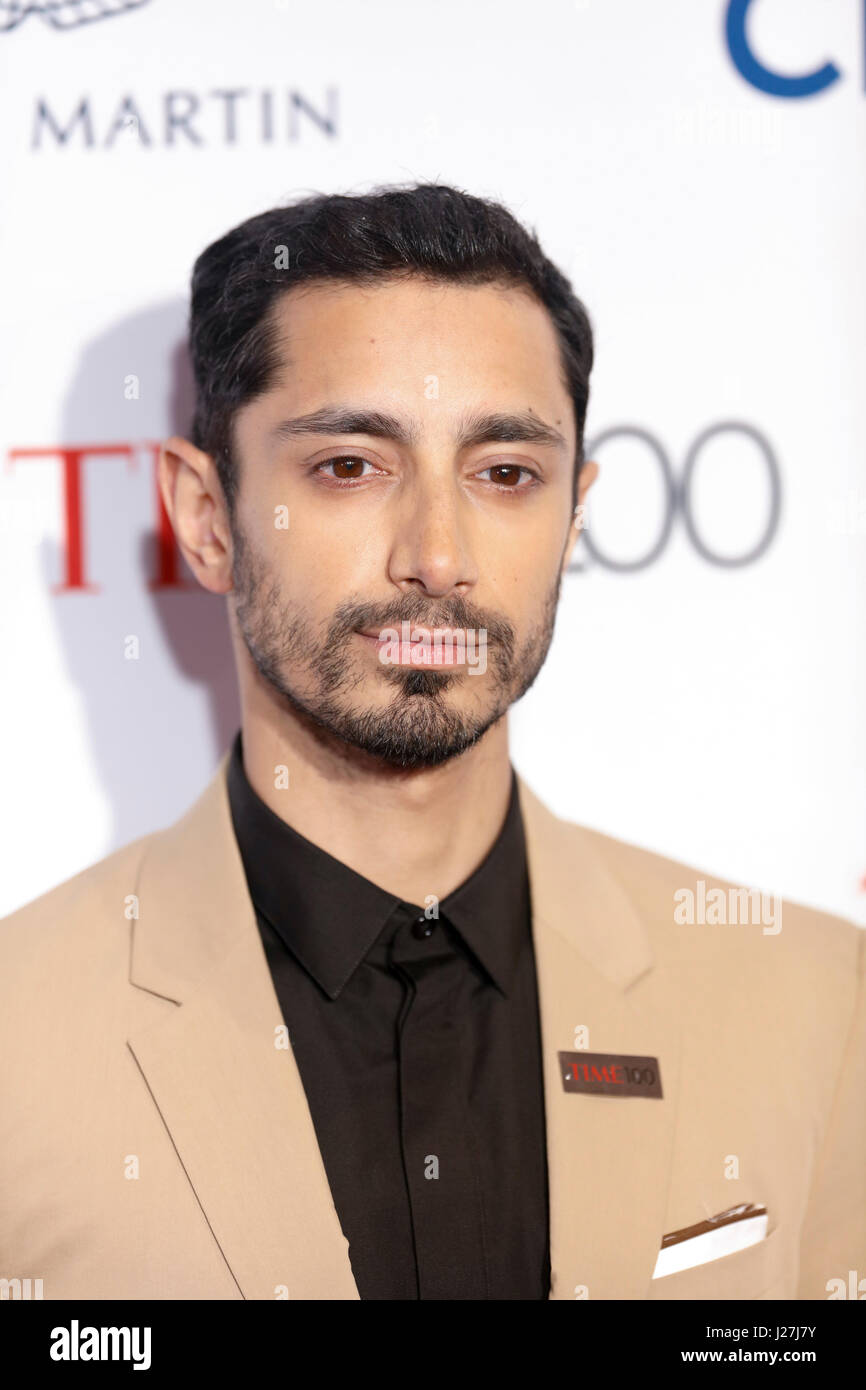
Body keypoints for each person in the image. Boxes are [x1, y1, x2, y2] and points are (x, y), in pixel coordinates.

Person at [1, 183, 863, 1301]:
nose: (438, 555)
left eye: (504, 474)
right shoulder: (23, 1040)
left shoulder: (811, 1001)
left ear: (572, 512)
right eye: (350, 465)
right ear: (207, 515)